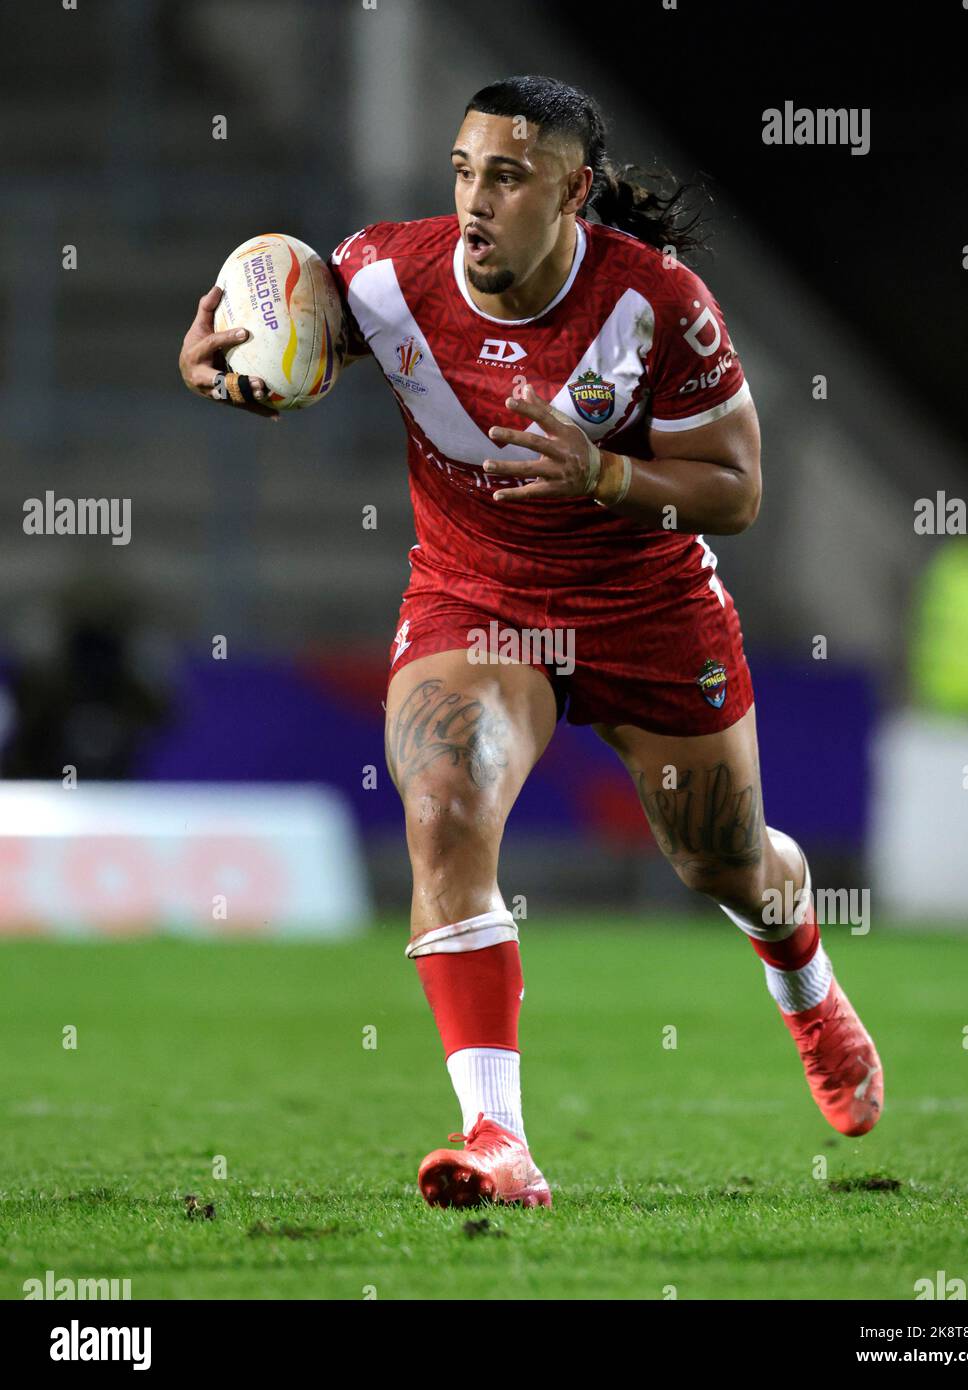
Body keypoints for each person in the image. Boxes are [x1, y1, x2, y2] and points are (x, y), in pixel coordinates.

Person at [178, 74, 883, 1210]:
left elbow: (740, 489)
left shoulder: (658, 304)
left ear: (573, 192)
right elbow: (284, 339)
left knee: (722, 861)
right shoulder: (382, 276)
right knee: (445, 799)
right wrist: (222, 368)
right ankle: (497, 1139)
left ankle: (804, 980)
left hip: (644, 607)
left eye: (506, 177)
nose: (473, 201)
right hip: (477, 596)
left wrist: (605, 473)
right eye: (463, 172)